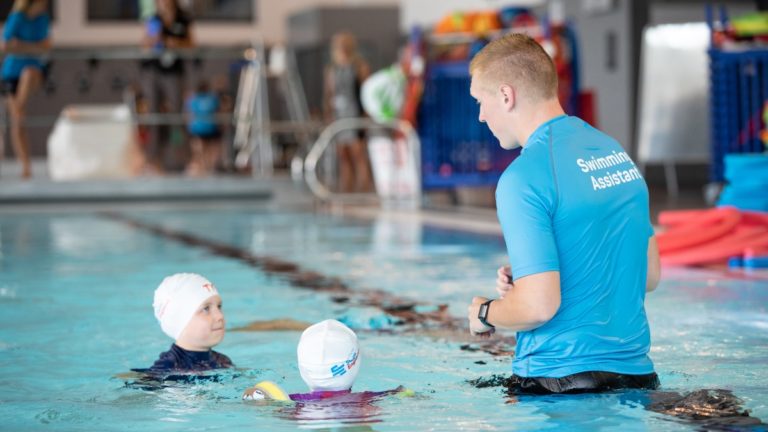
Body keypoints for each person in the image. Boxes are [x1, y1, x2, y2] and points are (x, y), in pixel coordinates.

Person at [465, 34, 661, 394]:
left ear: (506, 96)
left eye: (481, 101)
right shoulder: (614, 152)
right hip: (639, 378)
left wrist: (484, 311)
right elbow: (647, 275)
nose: (480, 115)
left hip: (558, 384)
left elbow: (539, 306)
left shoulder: (522, 177)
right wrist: (528, 281)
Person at [242, 319, 406, 402]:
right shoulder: (368, 399)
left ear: (302, 368)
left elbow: (253, 397)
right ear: (354, 363)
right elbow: (406, 394)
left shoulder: (292, 403)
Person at [136, 273, 233, 373]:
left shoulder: (223, 361)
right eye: (206, 309)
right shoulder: (166, 369)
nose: (220, 316)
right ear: (179, 320)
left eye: (219, 306)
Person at [141, 0, 195, 172]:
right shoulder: (153, 19)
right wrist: (153, 40)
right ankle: (153, 161)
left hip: (174, 73)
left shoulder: (183, 18)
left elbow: (192, 44)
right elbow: (144, 45)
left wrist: (176, 43)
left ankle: (181, 159)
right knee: (154, 117)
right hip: (155, 71)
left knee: (177, 117)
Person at [1, 0, 51, 179]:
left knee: (28, 74)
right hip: (10, 74)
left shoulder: (43, 19)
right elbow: (5, 45)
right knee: (18, 122)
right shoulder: (17, 18)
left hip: (32, 72)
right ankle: (25, 166)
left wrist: (20, 46)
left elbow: (46, 46)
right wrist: (32, 47)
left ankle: (19, 106)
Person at [323, 32, 372, 192]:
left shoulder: (359, 67)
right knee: (343, 156)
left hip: (355, 115)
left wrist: (366, 117)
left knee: (358, 156)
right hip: (339, 116)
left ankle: (363, 189)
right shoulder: (332, 69)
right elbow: (328, 95)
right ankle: (347, 190)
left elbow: (367, 92)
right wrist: (328, 115)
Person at [185, 79, 221, 176]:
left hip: (198, 129)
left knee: (199, 150)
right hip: (210, 128)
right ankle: (209, 166)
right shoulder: (212, 98)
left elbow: (190, 114)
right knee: (209, 149)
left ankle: (202, 166)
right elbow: (217, 110)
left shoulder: (194, 99)